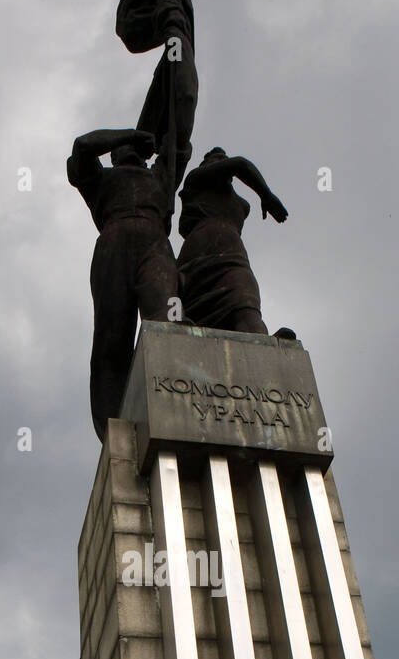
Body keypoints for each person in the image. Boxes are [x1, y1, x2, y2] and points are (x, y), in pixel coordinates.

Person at [68, 127, 190, 439]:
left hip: (155, 242)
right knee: (112, 339)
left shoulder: (160, 176)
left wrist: (175, 83)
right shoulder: (100, 179)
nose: (129, 148)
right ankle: (114, 428)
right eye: (121, 145)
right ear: (114, 152)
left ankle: (176, 401)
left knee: (166, 321)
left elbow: (181, 131)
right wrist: (132, 134)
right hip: (114, 240)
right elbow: (82, 146)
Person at [177, 148, 293, 336]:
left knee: (243, 295)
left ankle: (260, 338)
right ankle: (176, 325)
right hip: (199, 249)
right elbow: (240, 164)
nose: (221, 162)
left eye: (223, 158)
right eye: (216, 159)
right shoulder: (195, 181)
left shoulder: (241, 205)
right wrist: (266, 195)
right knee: (176, 294)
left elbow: (238, 167)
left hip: (233, 252)